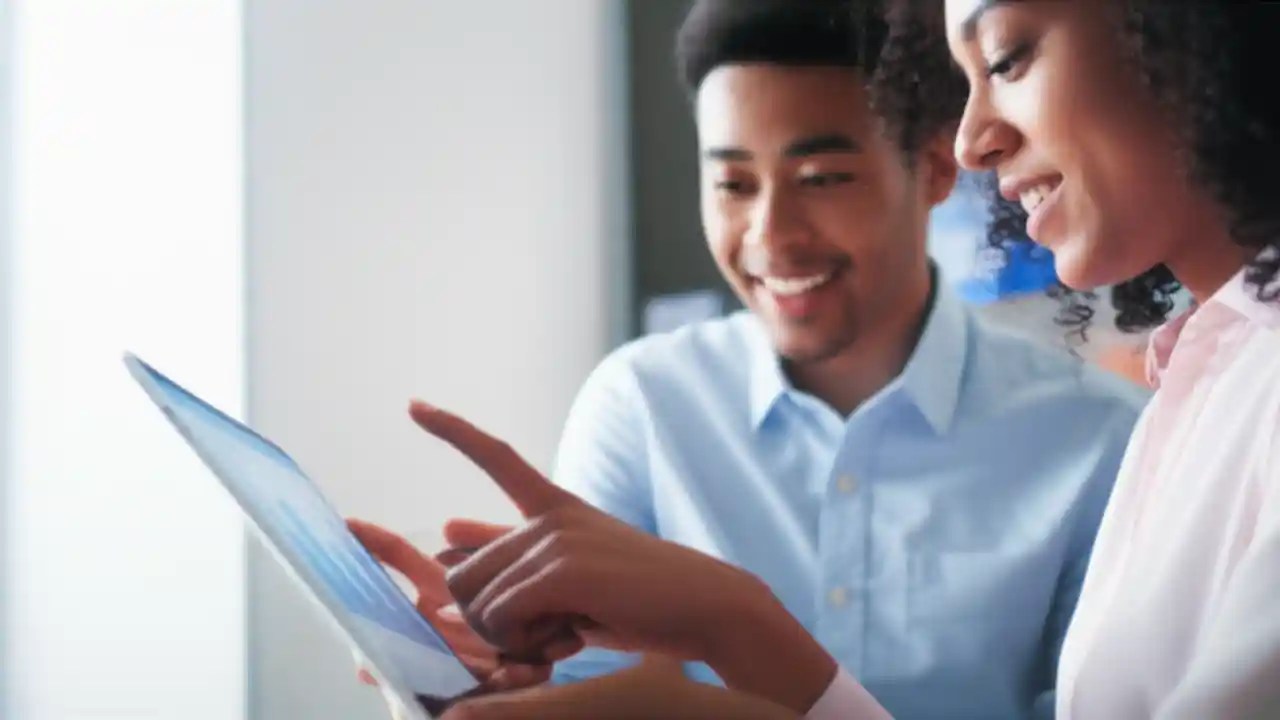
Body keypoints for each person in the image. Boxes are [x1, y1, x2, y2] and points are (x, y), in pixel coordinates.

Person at [399, 1, 1280, 718]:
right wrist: (513, 683)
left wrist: (745, 645)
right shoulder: (1203, 378)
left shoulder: (1107, 432)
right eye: (732, 183)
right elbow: (599, 692)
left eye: (1007, 58)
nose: (772, 235)